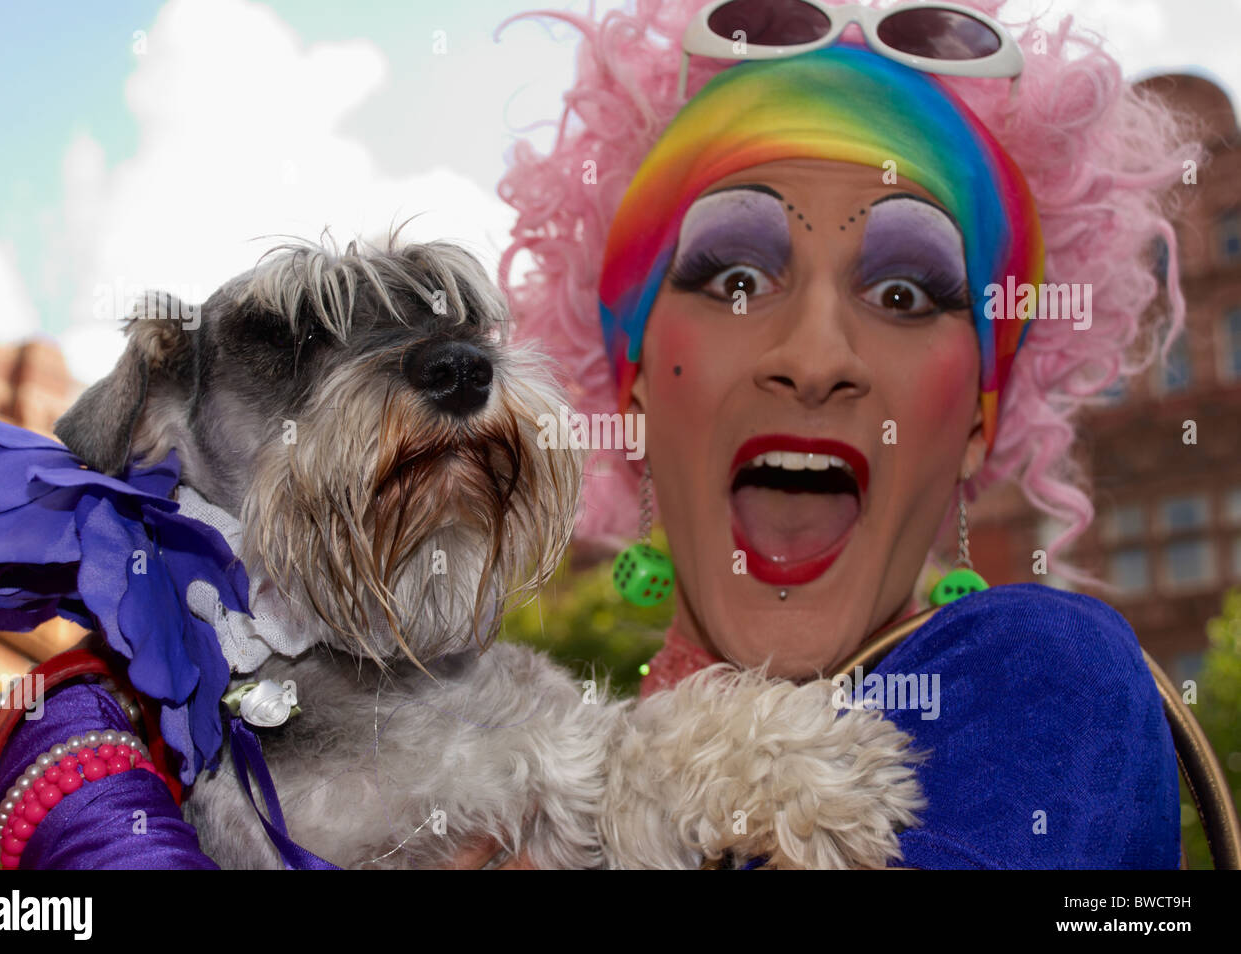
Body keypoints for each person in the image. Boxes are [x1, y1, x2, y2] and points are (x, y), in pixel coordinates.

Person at [493, 0, 1197, 867]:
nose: (816, 354)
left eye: (905, 293)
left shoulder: (1049, 673)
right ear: (635, 391)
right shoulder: (501, 788)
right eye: (739, 278)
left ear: (977, 423)